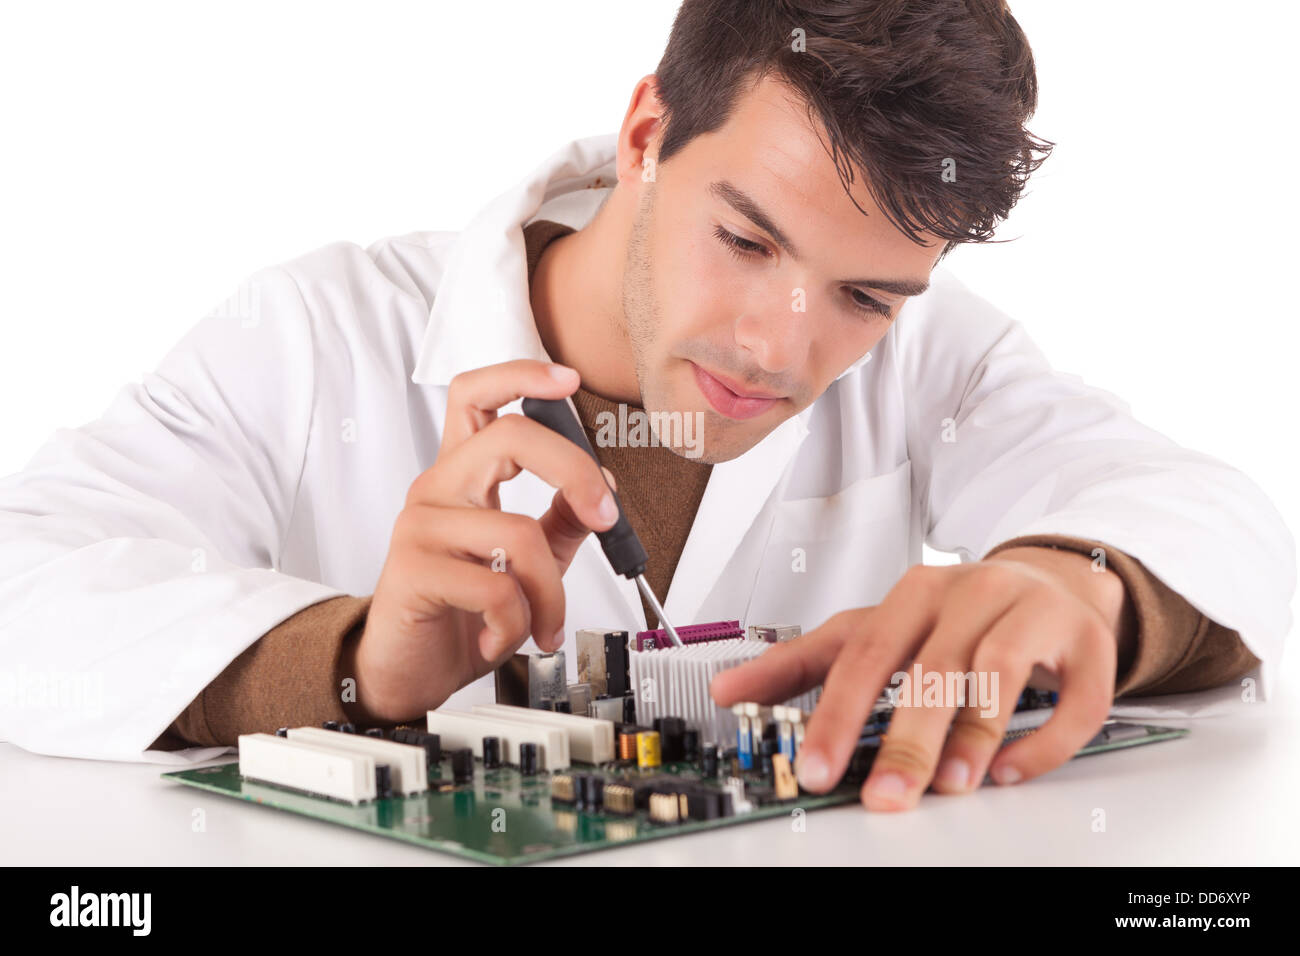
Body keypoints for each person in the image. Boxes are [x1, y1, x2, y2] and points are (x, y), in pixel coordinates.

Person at [0, 0, 1291, 813]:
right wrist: (344, 663)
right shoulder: (316, 334)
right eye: (745, 238)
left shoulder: (934, 362)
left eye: (868, 295)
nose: (780, 346)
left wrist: (1087, 584)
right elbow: (21, 588)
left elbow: (1225, 524)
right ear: (645, 134)